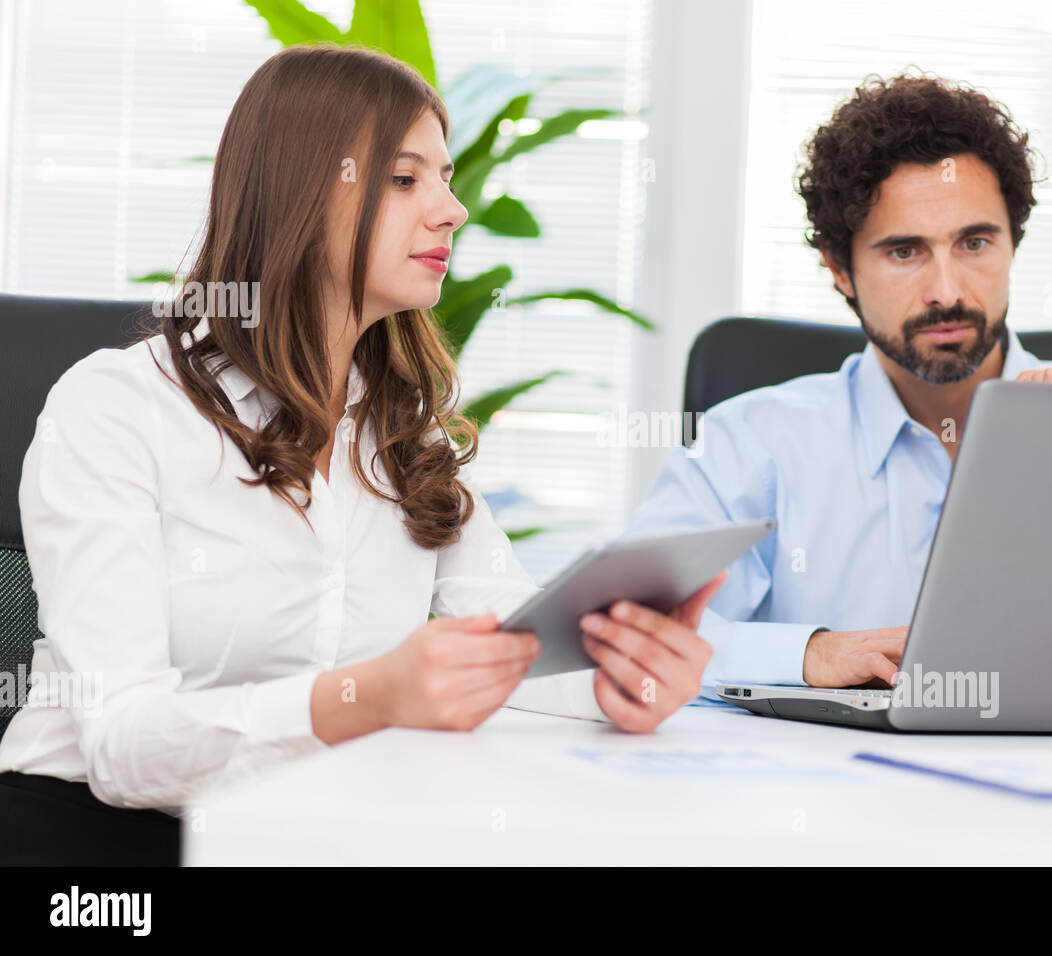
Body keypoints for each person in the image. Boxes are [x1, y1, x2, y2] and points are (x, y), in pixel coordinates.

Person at [0, 45, 720, 865]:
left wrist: (619, 676)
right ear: (301, 194)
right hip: (94, 841)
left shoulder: (406, 431)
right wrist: (364, 696)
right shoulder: (119, 408)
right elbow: (124, 747)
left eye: (445, 178)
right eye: (406, 179)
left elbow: (511, 640)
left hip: (309, 835)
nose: (452, 210)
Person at [621, 72, 1052, 698]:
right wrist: (806, 653)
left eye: (975, 243)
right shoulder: (749, 443)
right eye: (904, 251)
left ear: (1012, 246)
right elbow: (634, 628)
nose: (947, 290)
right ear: (840, 268)